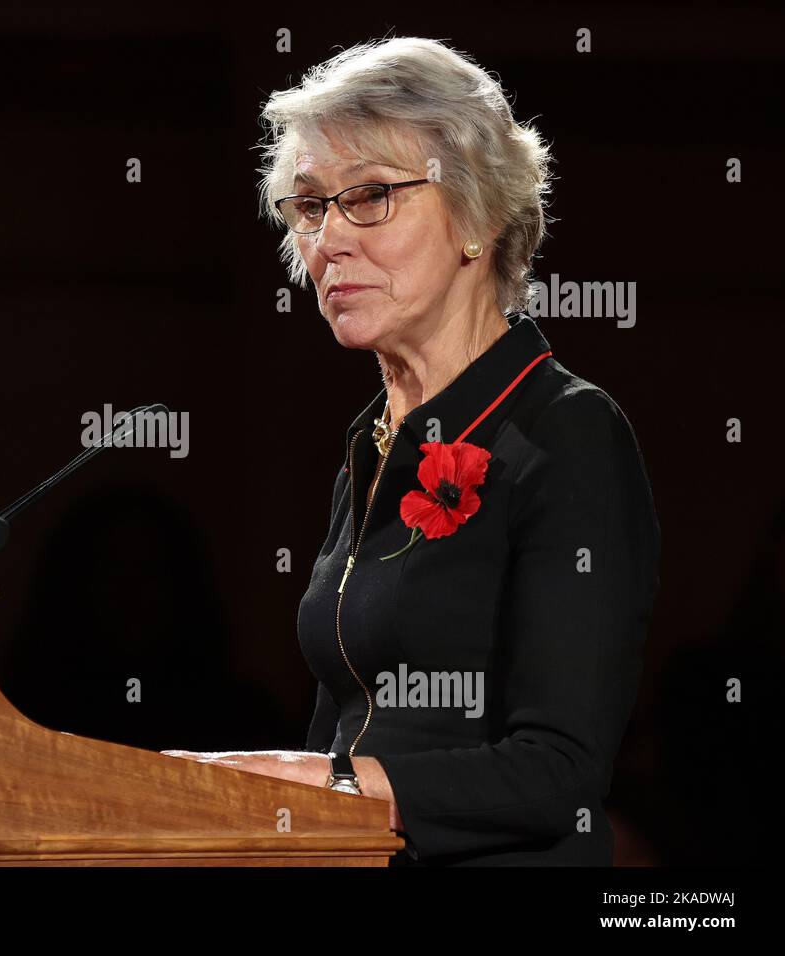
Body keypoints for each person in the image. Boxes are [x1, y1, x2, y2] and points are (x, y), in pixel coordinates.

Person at [163, 36, 661, 865]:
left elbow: (558, 772)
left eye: (369, 198)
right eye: (311, 206)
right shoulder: (374, 438)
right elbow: (346, 718)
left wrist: (317, 783)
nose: (328, 241)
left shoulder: (564, 433)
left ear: (477, 216)